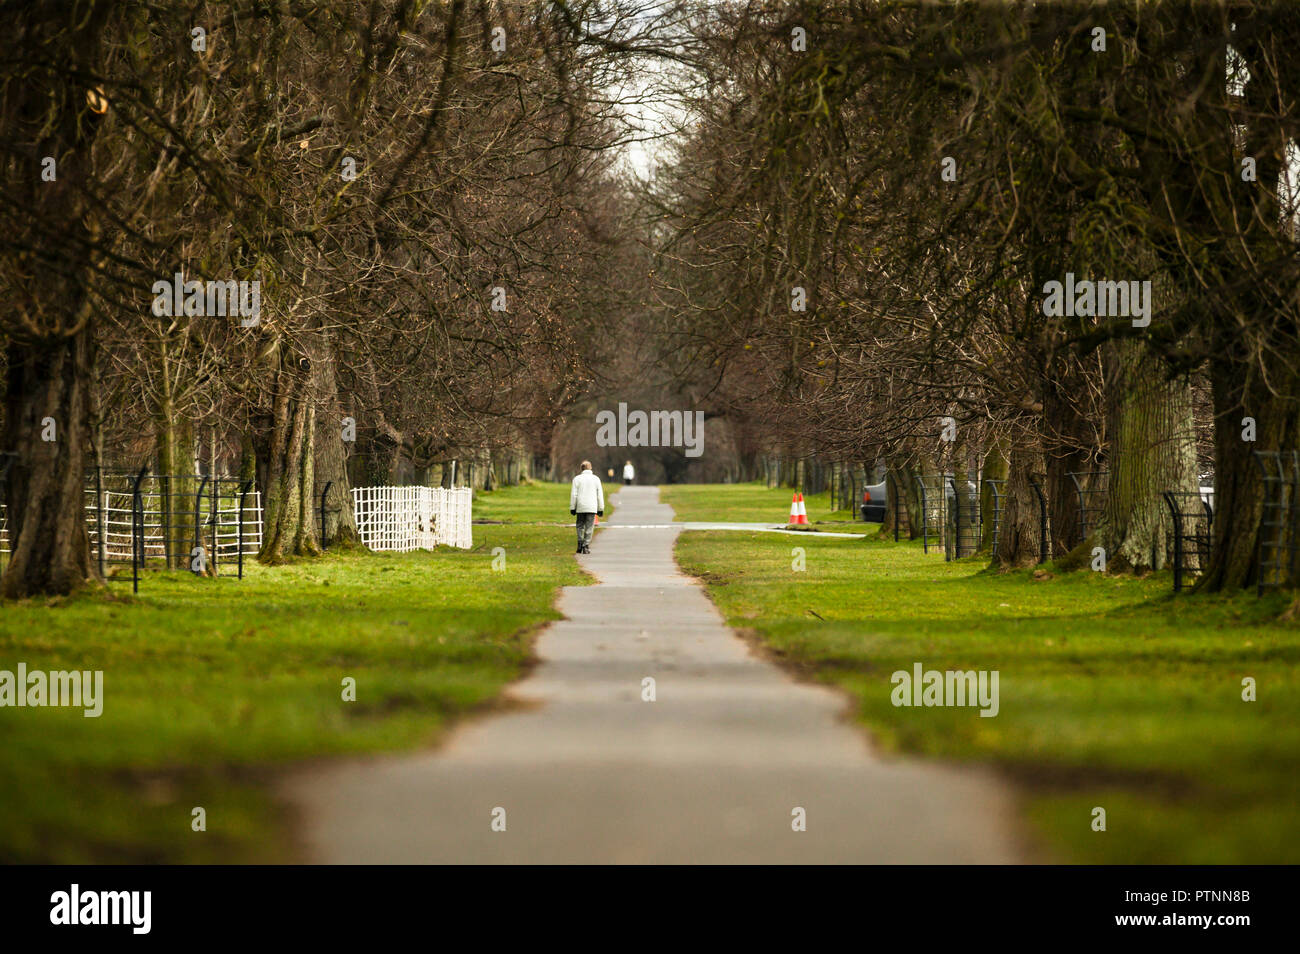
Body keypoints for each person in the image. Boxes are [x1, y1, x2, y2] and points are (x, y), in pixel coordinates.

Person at [570, 460, 605, 554]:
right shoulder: (596, 479)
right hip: (592, 507)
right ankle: (586, 545)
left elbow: (574, 495)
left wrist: (572, 507)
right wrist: (600, 508)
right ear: (591, 468)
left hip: (580, 506)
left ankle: (580, 543)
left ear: (581, 469)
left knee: (580, 525)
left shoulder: (577, 479)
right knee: (589, 526)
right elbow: (599, 495)